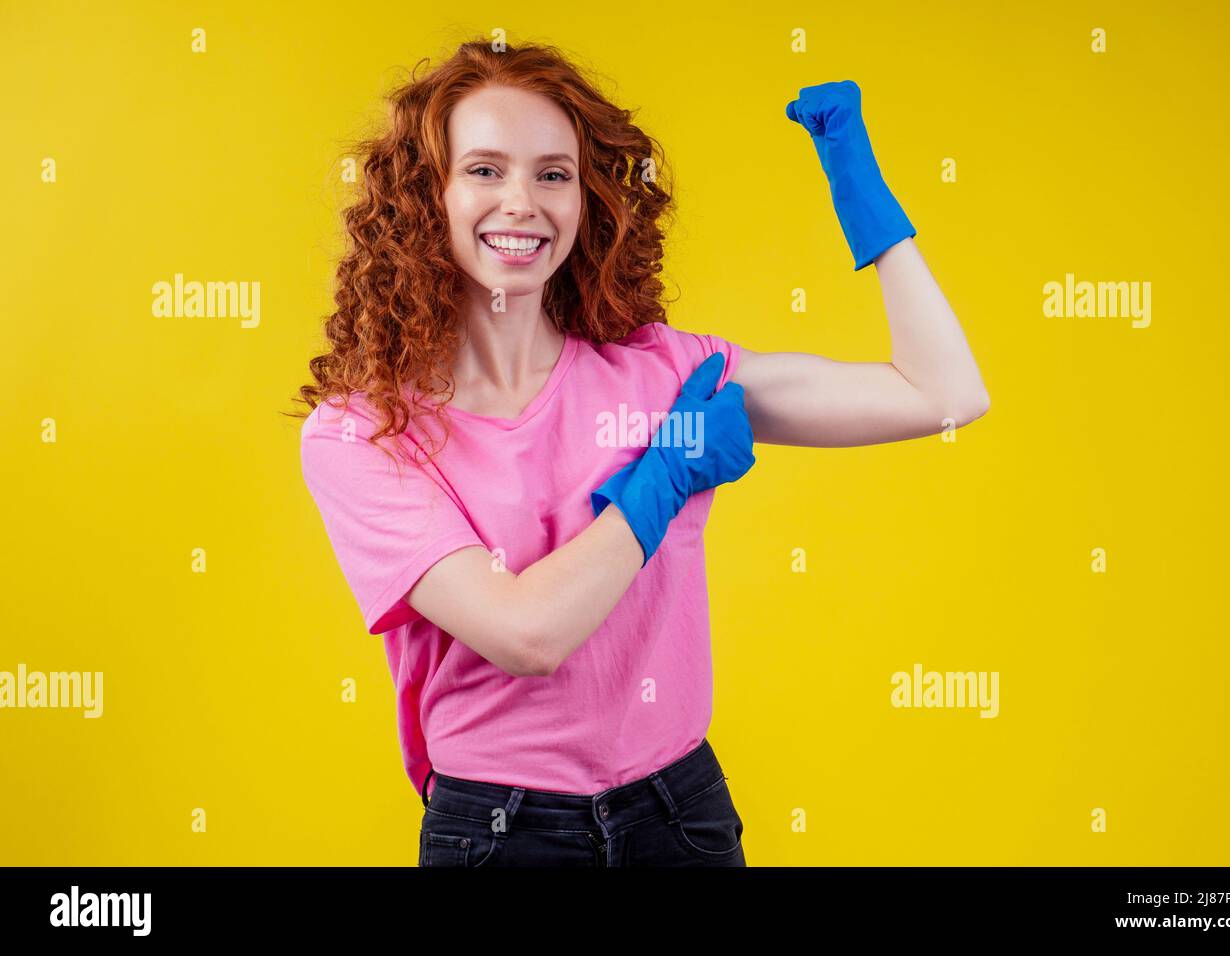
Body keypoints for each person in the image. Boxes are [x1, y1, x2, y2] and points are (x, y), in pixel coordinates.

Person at [291, 39, 989, 868]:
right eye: (484, 170)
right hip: (501, 833)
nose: (522, 202)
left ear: (585, 201)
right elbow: (525, 634)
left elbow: (943, 394)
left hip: (679, 814)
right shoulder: (361, 433)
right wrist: (667, 474)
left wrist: (862, 193)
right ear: (423, 197)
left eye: (553, 174)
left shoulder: (663, 374)